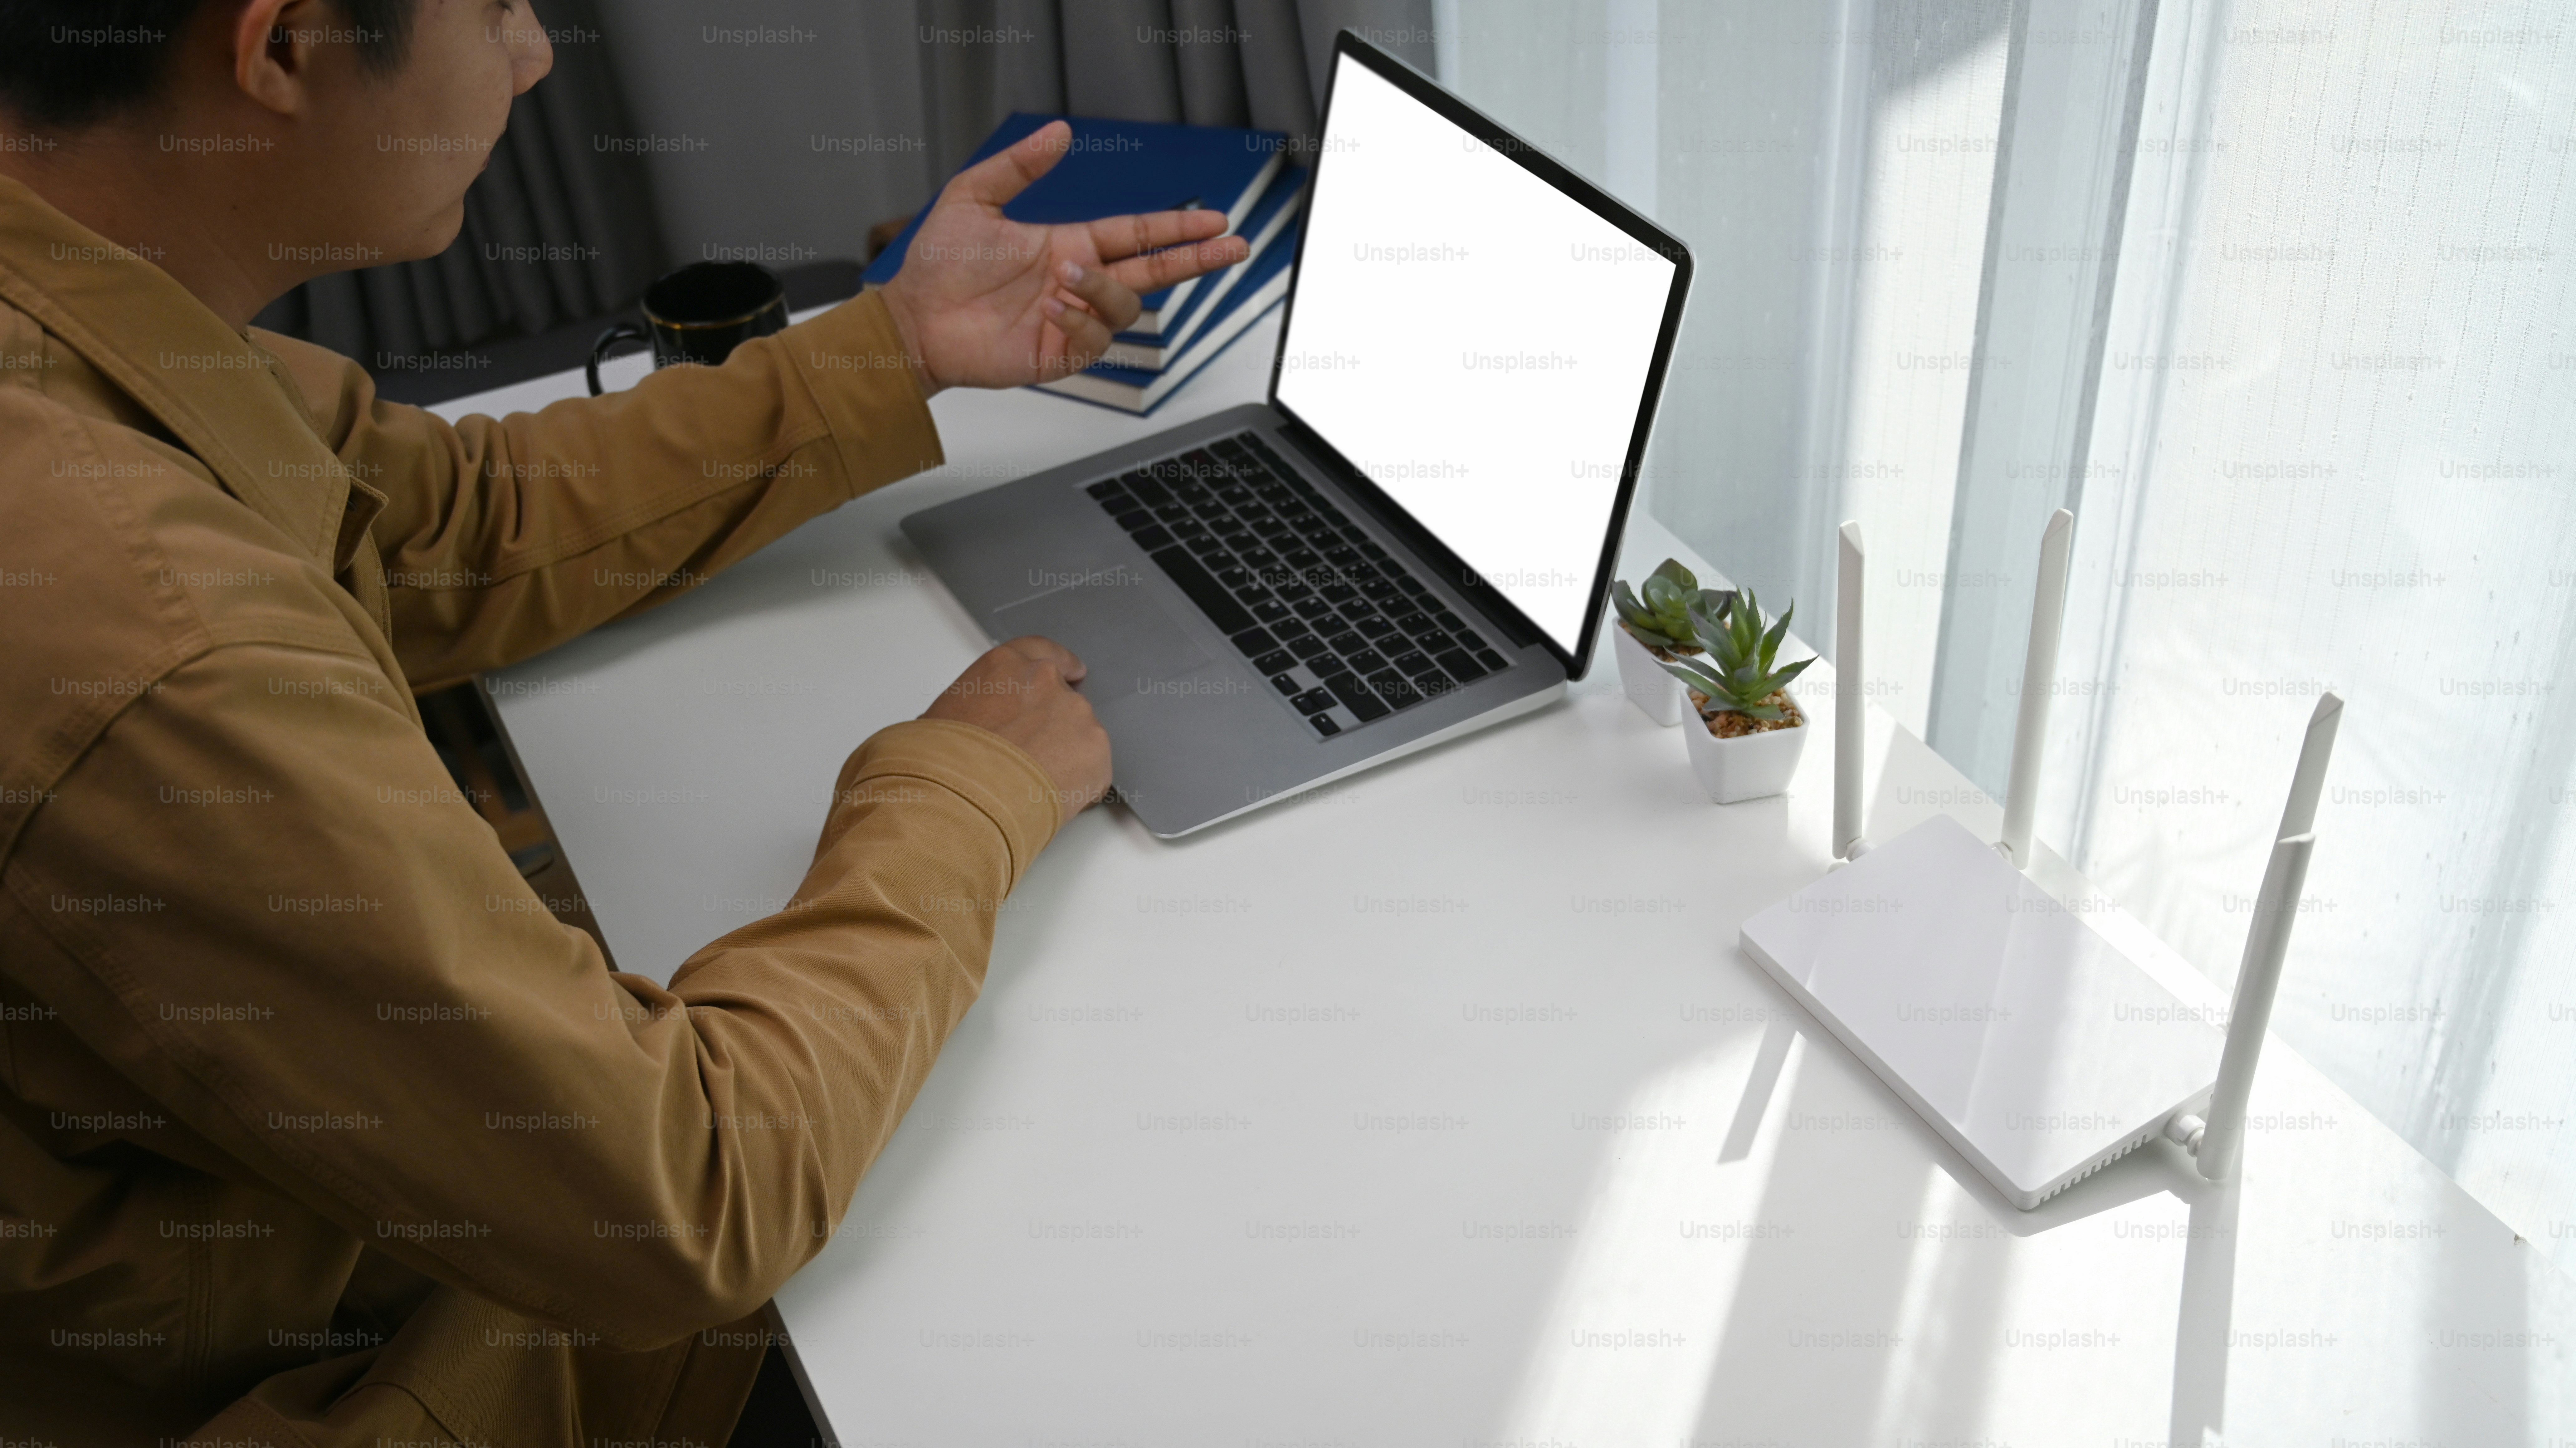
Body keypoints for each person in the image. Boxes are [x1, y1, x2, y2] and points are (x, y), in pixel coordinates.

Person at [0, 2, 1248, 1443]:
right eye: (499, 10)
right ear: (281, 51)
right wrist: (964, 788)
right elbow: (684, 1190)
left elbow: (443, 522)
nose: (533, 57)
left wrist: (896, 342)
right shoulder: (146, 641)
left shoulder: (83, 319)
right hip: (306, 1362)